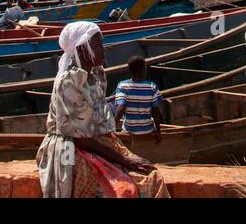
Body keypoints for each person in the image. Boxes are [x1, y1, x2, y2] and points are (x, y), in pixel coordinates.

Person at [35, 22, 166, 198]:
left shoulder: (95, 74)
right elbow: (79, 138)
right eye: (98, 45)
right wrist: (125, 160)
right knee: (118, 189)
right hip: (71, 147)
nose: (104, 49)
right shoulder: (69, 82)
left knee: (151, 176)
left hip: (95, 141)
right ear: (82, 48)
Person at [112, 56, 164, 144]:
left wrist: (112, 129)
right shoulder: (152, 87)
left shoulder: (122, 85)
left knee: (125, 123)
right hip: (148, 130)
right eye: (145, 67)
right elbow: (156, 112)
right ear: (142, 70)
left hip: (129, 130)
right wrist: (158, 132)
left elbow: (121, 107)